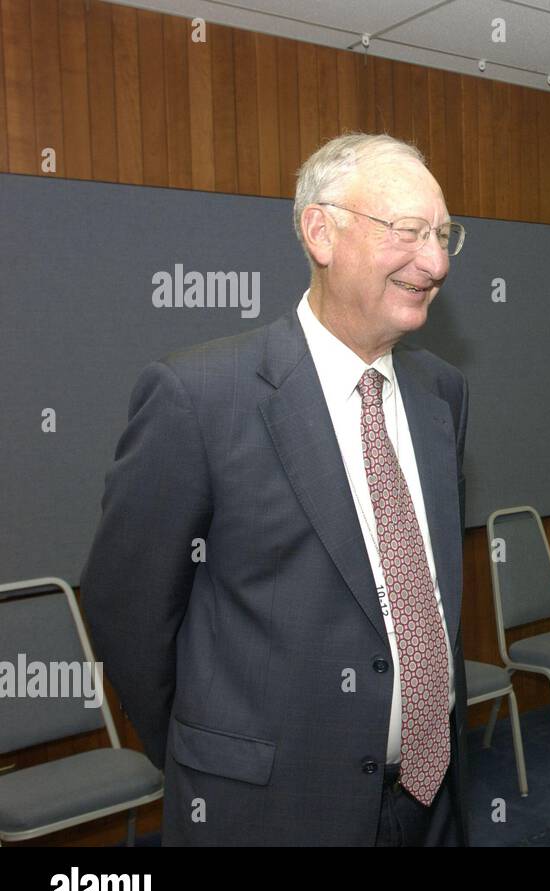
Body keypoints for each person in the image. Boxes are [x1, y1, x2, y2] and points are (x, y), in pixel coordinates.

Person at [81, 133, 471, 845]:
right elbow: (125, 606)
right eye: (409, 233)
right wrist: (217, 751)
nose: (436, 262)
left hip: (428, 800)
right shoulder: (199, 398)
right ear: (320, 230)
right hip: (267, 813)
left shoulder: (442, 393)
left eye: (444, 236)